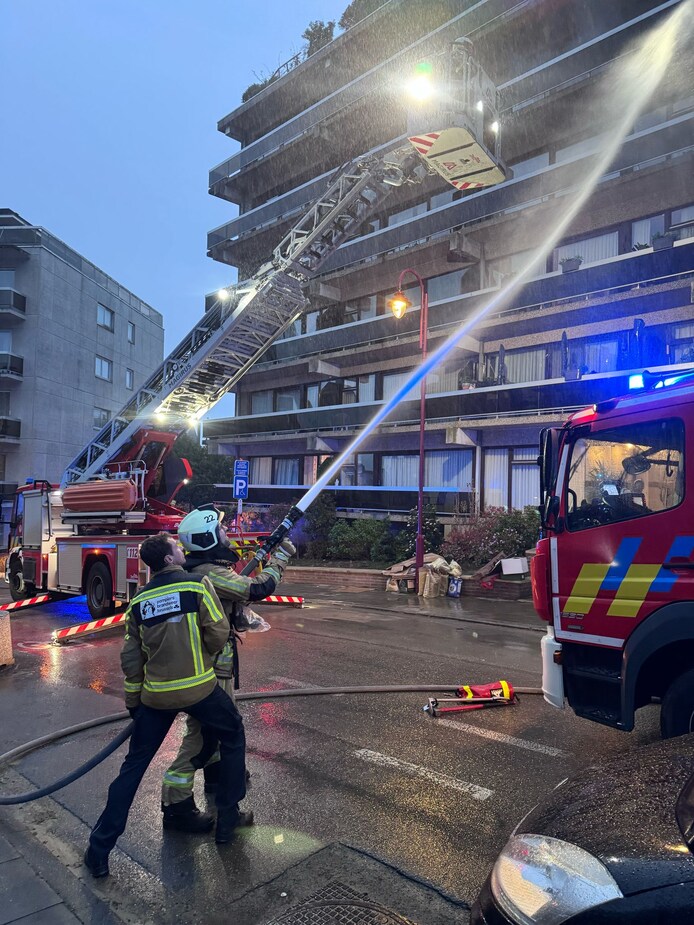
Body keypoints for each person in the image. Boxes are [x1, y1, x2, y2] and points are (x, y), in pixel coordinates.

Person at [84, 532, 251, 879]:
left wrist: (135, 702)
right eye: (177, 548)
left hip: (155, 696)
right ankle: (227, 822)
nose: (182, 550)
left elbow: (131, 657)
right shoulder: (196, 585)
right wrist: (202, 658)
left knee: (132, 769)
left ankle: (98, 851)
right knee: (232, 733)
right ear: (170, 560)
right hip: (200, 689)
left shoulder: (139, 602)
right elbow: (219, 630)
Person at [160, 504, 295, 822]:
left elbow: (235, 594)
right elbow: (256, 588)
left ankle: (220, 777)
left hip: (212, 662)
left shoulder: (205, 567)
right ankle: (176, 801)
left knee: (217, 728)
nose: (226, 533)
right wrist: (281, 559)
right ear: (207, 538)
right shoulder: (210, 573)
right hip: (212, 668)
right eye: (220, 530)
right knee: (205, 734)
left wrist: (261, 555)